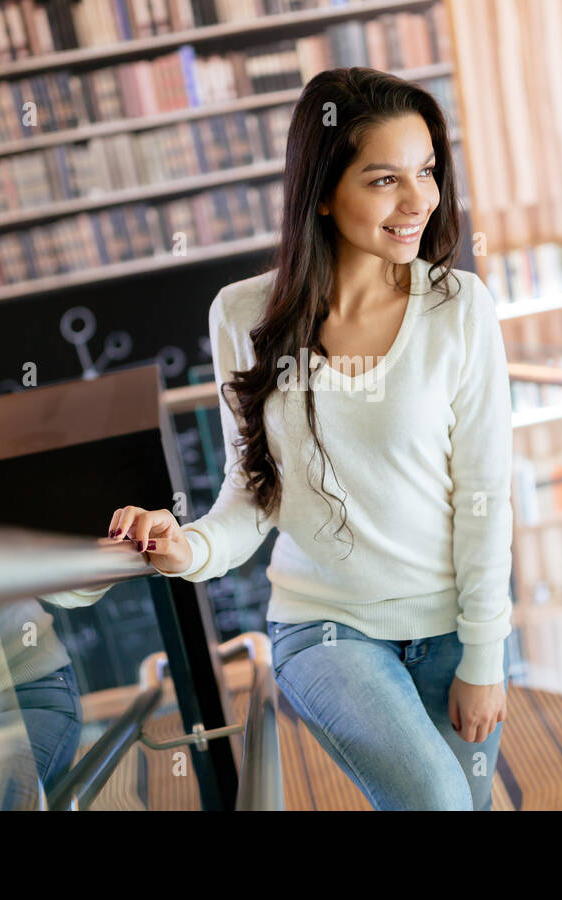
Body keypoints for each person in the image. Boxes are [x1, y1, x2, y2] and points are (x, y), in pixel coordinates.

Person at [102, 67, 514, 811]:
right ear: (323, 191)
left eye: (426, 172)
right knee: (439, 803)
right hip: (325, 628)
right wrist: (185, 546)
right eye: (385, 178)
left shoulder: (460, 309)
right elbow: (253, 490)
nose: (418, 199)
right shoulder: (242, 316)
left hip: (452, 623)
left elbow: (485, 496)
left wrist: (484, 653)